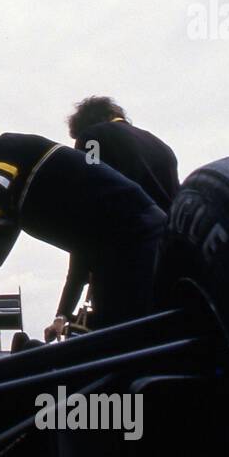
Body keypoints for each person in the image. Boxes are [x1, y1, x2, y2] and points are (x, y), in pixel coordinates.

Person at [0, 122, 166, 335]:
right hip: (116, 254)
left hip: (140, 239)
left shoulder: (5, 148)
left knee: (137, 341)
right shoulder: (10, 195)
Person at [55, 98, 179, 340]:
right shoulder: (162, 147)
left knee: (122, 349)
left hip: (122, 264)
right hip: (167, 262)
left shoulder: (92, 137)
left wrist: (65, 309)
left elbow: (87, 217)